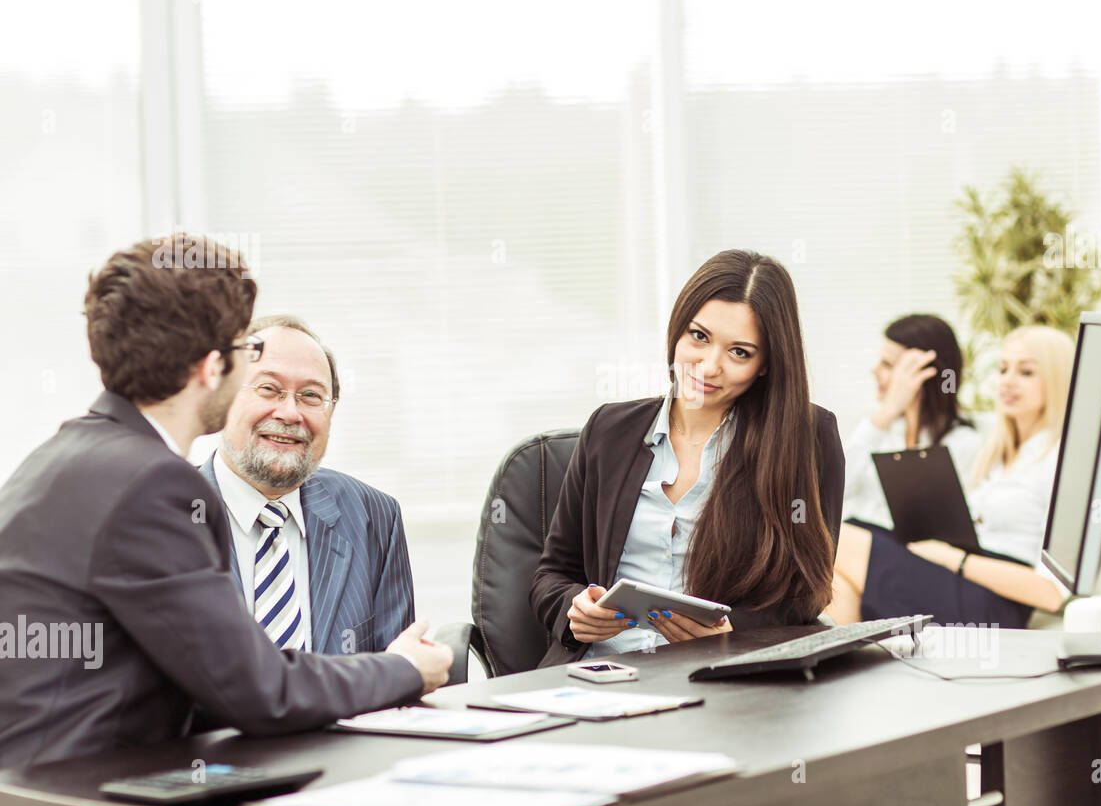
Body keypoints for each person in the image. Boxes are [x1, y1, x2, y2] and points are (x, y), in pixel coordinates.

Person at [0, 235, 451, 767]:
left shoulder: (65, 455)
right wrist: (404, 669)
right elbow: (257, 688)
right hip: (91, 803)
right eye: (245, 352)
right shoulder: (152, 484)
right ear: (212, 367)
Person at [531, 249, 846, 667]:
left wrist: (735, 631)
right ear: (678, 330)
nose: (708, 366)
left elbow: (809, 591)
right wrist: (577, 610)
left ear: (766, 365)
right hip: (599, 674)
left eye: (739, 352)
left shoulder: (806, 438)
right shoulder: (609, 431)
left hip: (722, 678)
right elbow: (550, 575)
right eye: (699, 336)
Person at [825, 325, 1075, 628]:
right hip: (965, 574)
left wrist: (952, 559)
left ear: (1056, 379)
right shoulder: (1000, 453)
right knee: (837, 575)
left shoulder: (1058, 461)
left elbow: (1051, 594)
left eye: (1026, 372)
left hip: (993, 600)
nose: (1007, 382)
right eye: (1003, 369)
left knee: (825, 535)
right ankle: (842, 663)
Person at [198, 315, 413, 654]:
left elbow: (400, 675)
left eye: (311, 395)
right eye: (268, 388)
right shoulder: (164, 515)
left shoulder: (375, 516)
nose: (289, 413)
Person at [841, 314, 982, 528]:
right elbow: (834, 491)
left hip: (894, 551)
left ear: (922, 373)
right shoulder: (879, 428)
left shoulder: (962, 443)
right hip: (855, 538)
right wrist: (886, 414)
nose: (874, 371)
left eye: (887, 364)